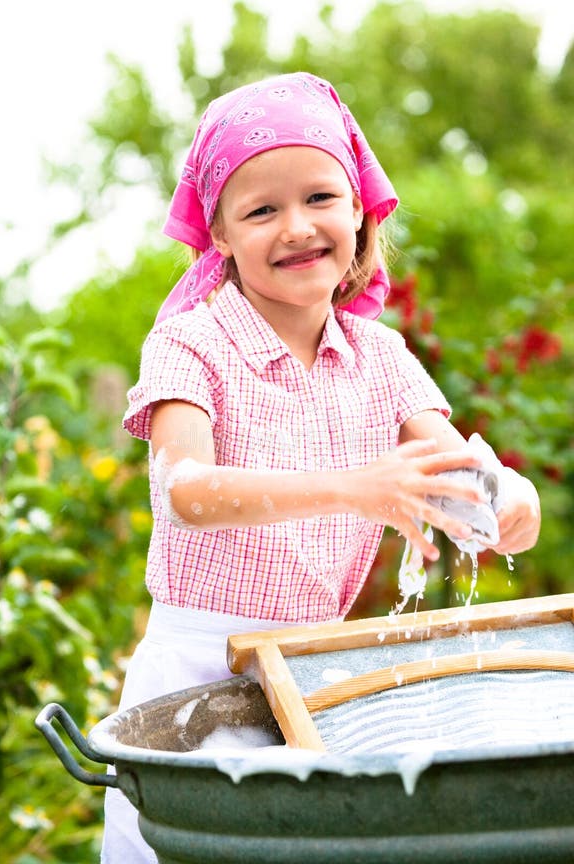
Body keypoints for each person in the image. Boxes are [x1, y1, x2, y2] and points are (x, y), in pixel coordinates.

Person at [101, 72, 540, 863]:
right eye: (262, 209)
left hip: (311, 680)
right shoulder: (190, 344)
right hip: (190, 686)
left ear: (360, 208)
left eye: (319, 198)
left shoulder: (380, 354)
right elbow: (186, 491)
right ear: (221, 236)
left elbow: (454, 473)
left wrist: (510, 500)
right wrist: (356, 487)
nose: (297, 226)